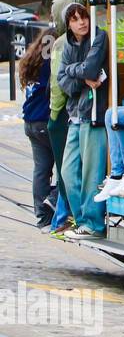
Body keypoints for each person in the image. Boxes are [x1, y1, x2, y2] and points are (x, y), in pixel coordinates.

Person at [58, 0, 109, 242]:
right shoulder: (69, 45)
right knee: (68, 172)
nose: (82, 22)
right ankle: (81, 220)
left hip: (93, 114)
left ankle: (93, 223)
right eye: (76, 19)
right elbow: (63, 81)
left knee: (92, 171)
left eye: (84, 17)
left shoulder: (98, 37)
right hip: (75, 115)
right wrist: (78, 75)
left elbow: (91, 70)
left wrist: (73, 71)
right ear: (68, 24)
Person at [46, 0, 81, 237]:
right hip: (74, 112)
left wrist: (54, 114)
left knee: (64, 169)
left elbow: (57, 85)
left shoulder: (60, 44)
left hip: (64, 115)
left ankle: (62, 219)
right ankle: (60, 218)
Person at [18, 30, 57, 228]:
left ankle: (42, 216)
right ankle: (54, 199)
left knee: (41, 169)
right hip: (44, 121)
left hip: (30, 123)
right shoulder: (49, 62)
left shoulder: (31, 61)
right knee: (67, 164)